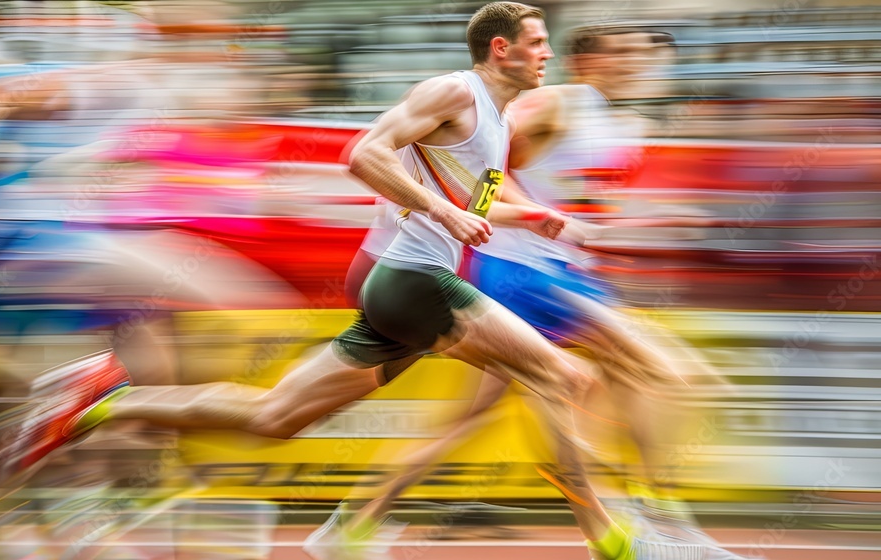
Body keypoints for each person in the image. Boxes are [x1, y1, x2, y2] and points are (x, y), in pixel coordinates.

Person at [0, 4, 673, 559]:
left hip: (411, 288)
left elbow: (475, 199)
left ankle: (97, 402)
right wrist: (440, 211)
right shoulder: (452, 92)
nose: (546, 54)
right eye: (535, 43)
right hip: (413, 278)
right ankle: (614, 541)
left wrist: (534, 215)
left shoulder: (493, 124)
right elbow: (362, 153)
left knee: (272, 418)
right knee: (564, 378)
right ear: (500, 49)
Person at [305, 28, 751, 560]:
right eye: (622, 51)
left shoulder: (625, 122)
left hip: (557, 269)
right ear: (587, 60)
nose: (637, 62)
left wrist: (647, 221)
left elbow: (579, 196)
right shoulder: (555, 102)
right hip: (522, 271)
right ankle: (648, 512)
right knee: (666, 372)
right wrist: (529, 215)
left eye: (646, 53)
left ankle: (352, 525)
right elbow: (483, 172)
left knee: (475, 418)